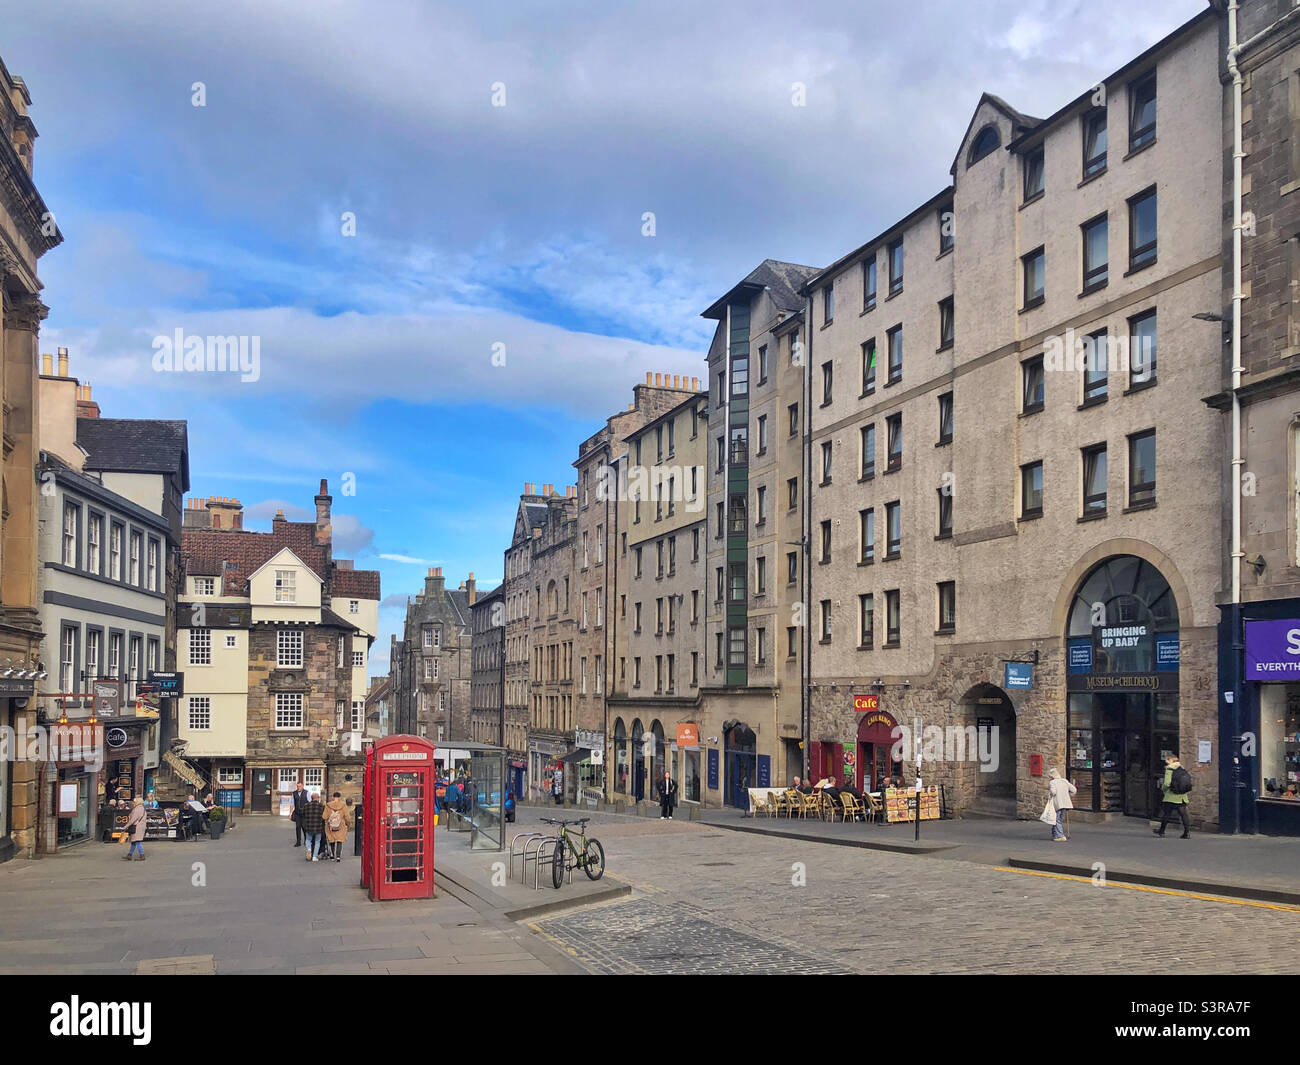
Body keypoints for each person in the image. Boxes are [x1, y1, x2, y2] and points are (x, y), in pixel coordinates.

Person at [1154, 754, 1192, 839]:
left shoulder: (1169, 770)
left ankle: (1162, 831)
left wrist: (1163, 789)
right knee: (1183, 815)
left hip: (1171, 796)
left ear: (1169, 761)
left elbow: (1167, 784)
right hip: (1182, 796)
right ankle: (1187, 832)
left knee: (1167, 814)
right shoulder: (1182, 769)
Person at [1047, 767, 1076, 842]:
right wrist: (1068, 795)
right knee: (1058, 819)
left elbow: (1053, 792)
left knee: (1057, 820)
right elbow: (1074, 790)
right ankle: (1055, 834)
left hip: (1058, 803)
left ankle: (1060, 836)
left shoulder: (1052, 782)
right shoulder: (1064, 781)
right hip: (1065, 803)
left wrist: (1050, 792)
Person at [322, 791, 350, 862]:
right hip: (341, 825)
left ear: (333, 797)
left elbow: (324, 816)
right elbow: (347, 817)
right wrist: (348, 824)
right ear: (339, 798)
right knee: (339, 841)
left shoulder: (328, 805)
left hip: (330, 826)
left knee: (332, 840)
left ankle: (332, 855)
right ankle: (338, 856)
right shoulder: (343, 805)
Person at [300, 791, 326, 860]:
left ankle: (309, 849)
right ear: (318, 798)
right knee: (317, 841)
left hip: (309, 826)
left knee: (308, 840)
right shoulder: (321, 806)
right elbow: (324, 816)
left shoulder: (306, 805)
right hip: (318, 827)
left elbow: (303, 814)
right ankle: (314, 856)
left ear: (311, 798)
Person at [124, 797, 147, 861]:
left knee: (137, 841)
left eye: (134, 801)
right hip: (139, 826)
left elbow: (133, 819)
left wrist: (125, 826)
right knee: (134, 841)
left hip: (137, 827)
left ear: (138, 802)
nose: (133, 803)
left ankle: (142, 855)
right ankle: (129, 855)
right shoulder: (142, 808)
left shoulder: (138, 809)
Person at [290, 781, 309, 847]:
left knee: (304, 827)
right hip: (297, 813)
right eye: (297, 786)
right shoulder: (294, 793)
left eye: (300, 786)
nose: (298, 787)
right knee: (298, 827)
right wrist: (290, 813)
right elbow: (292, 803)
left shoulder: (307, 793)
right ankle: (298, 842)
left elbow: (309, 802)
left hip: (304, 813)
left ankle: (306, 841)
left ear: (302, 786)